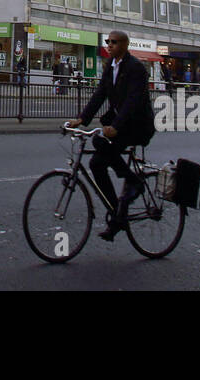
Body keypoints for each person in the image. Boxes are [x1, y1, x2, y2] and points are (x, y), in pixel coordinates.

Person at [64, 29, 156, 241]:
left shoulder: (136, 69)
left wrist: (115, 125)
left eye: (114, 42)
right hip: (122, 125)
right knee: (96, 163)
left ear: (124, 45)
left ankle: (134, 182)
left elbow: (133, 101)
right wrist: (82, 119)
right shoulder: (110, 67)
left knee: (101, 143)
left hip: (138, 126)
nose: (109, 45)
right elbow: (100, 95)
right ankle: (118, 214)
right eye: (108, 41)